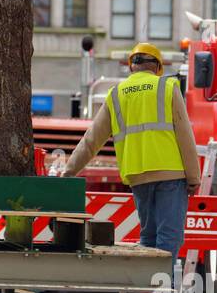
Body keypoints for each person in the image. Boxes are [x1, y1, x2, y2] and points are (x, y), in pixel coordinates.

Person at [62, 43, 200, 267]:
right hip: (170, 175)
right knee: (169, 237)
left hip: (138, 177)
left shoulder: (116, 94)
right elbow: (185, 135)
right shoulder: (167, 86)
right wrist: (193, 177)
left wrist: (68, 173)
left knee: (148, 237)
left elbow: (92, 139)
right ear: (157, 67)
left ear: (131, 67)